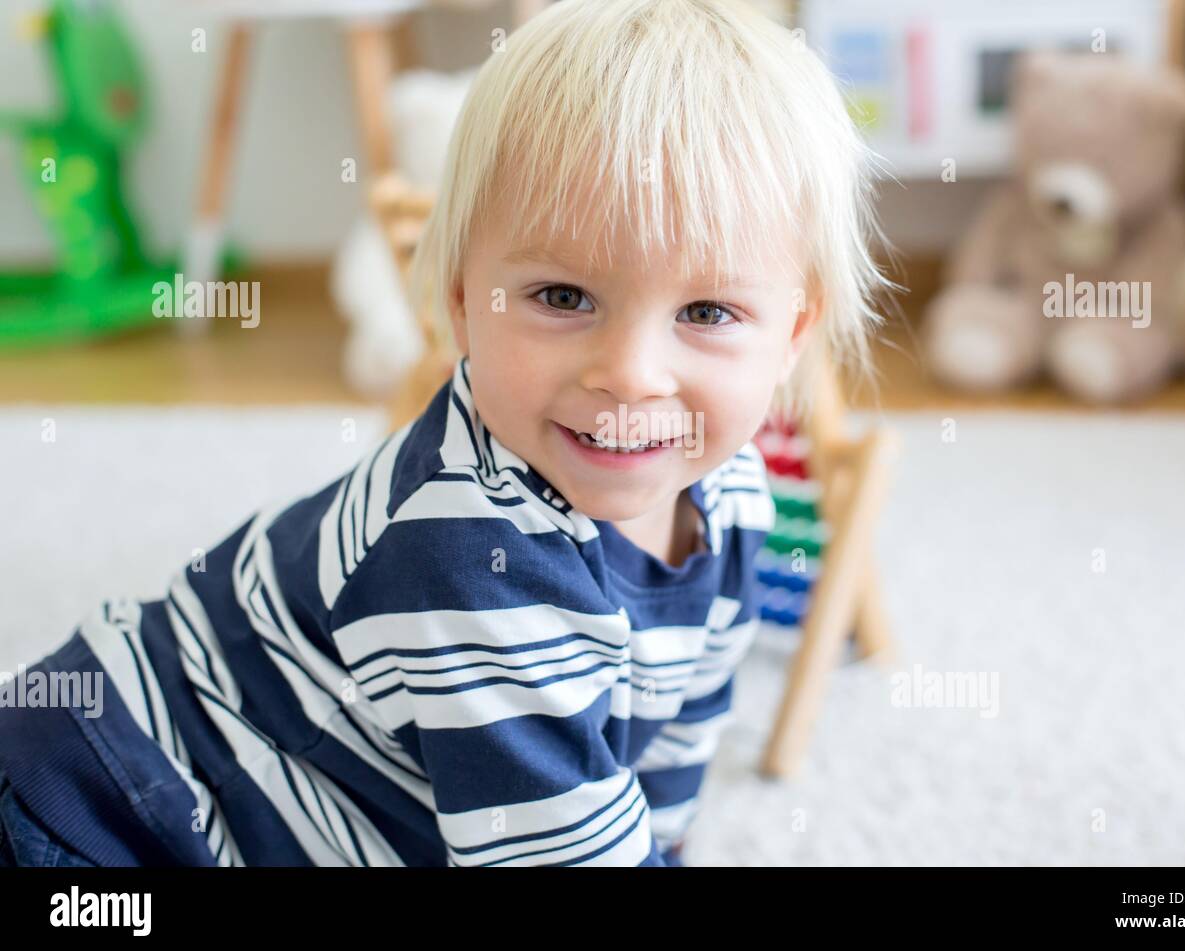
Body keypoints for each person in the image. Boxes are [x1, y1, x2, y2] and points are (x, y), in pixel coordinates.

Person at [0, 0, 887, 866]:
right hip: (100, 806)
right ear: (460, 301)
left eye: (707, 310)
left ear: (792, 339)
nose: (630, 372)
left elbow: (671, 749)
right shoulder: (466, 557)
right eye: (563, 297)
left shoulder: (731, 495)